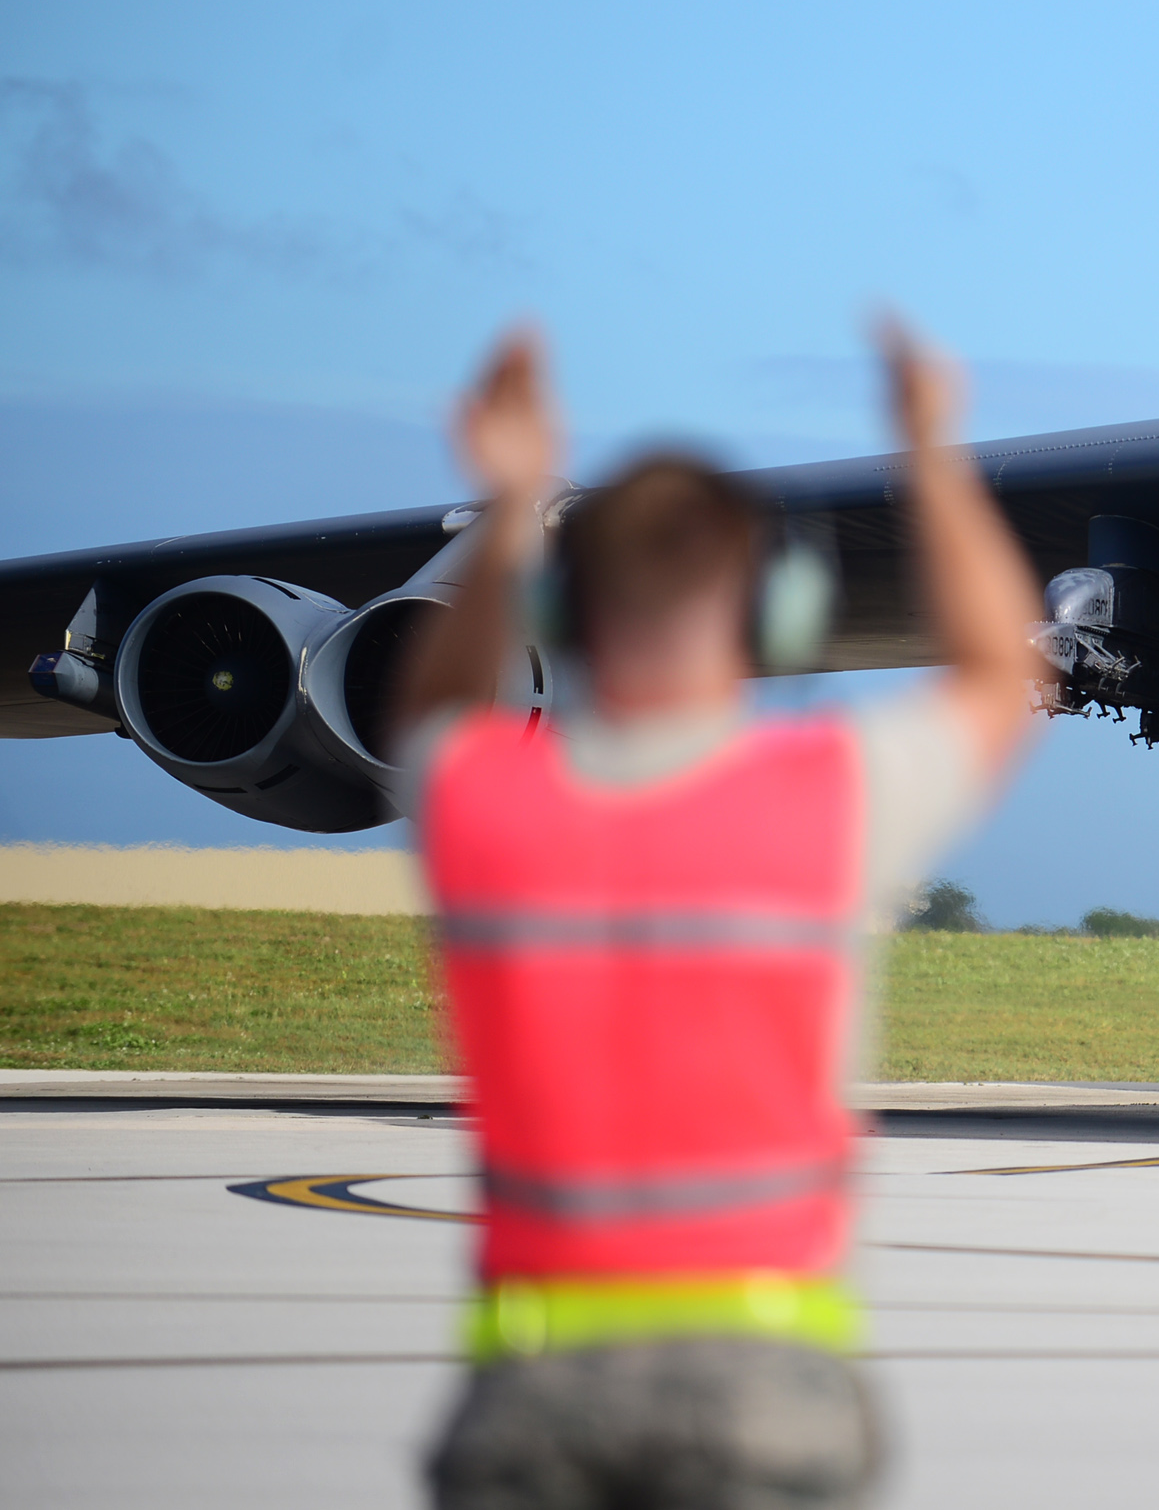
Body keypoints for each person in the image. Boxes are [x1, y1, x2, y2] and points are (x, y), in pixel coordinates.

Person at [393, 319, 1044, 1509]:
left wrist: (511, 499)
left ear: (559, 614)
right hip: (765, 1383)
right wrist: (931, 450)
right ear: (772, 616)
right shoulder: (827, 799)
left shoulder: (489, 808)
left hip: (534, 1381)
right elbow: (1002, 672)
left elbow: (427, 711)